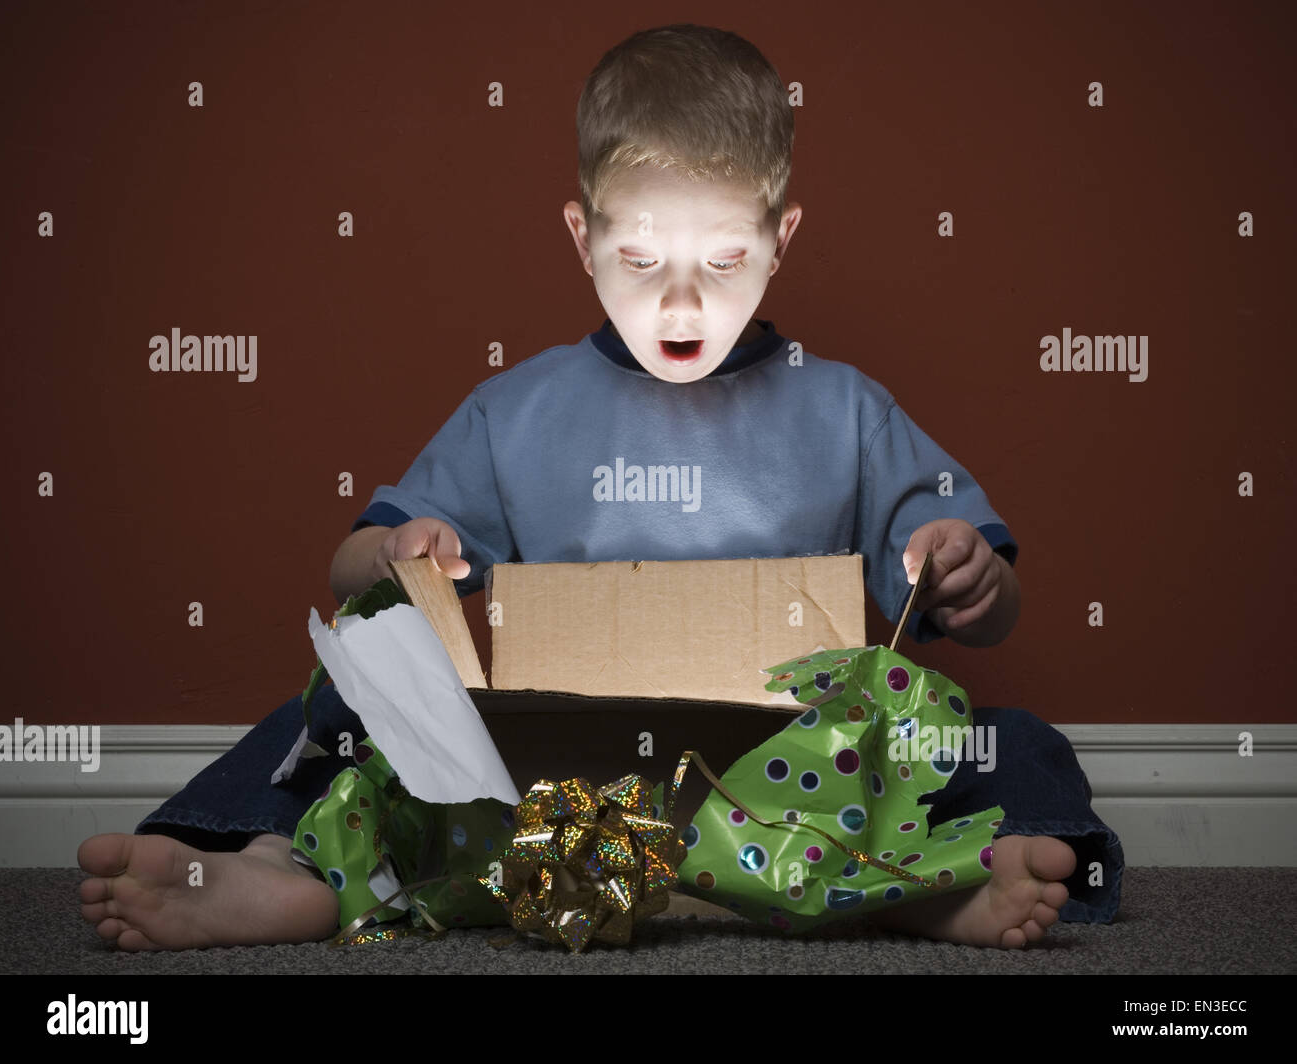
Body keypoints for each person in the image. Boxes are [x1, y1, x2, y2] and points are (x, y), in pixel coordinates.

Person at [78, 23, 1121, 952]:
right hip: (555, 792)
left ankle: (922, 884)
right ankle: (272, 867)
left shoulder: (842, 408)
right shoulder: (518, 407)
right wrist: (403, 554)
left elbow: (979, 599)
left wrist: (967, 572)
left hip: (799, 785)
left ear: (779, 241)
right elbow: (353, 560)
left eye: (722, 259)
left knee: (1007, 737)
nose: (679, 299)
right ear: (581, 242)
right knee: (328, 714)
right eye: (637, 257)